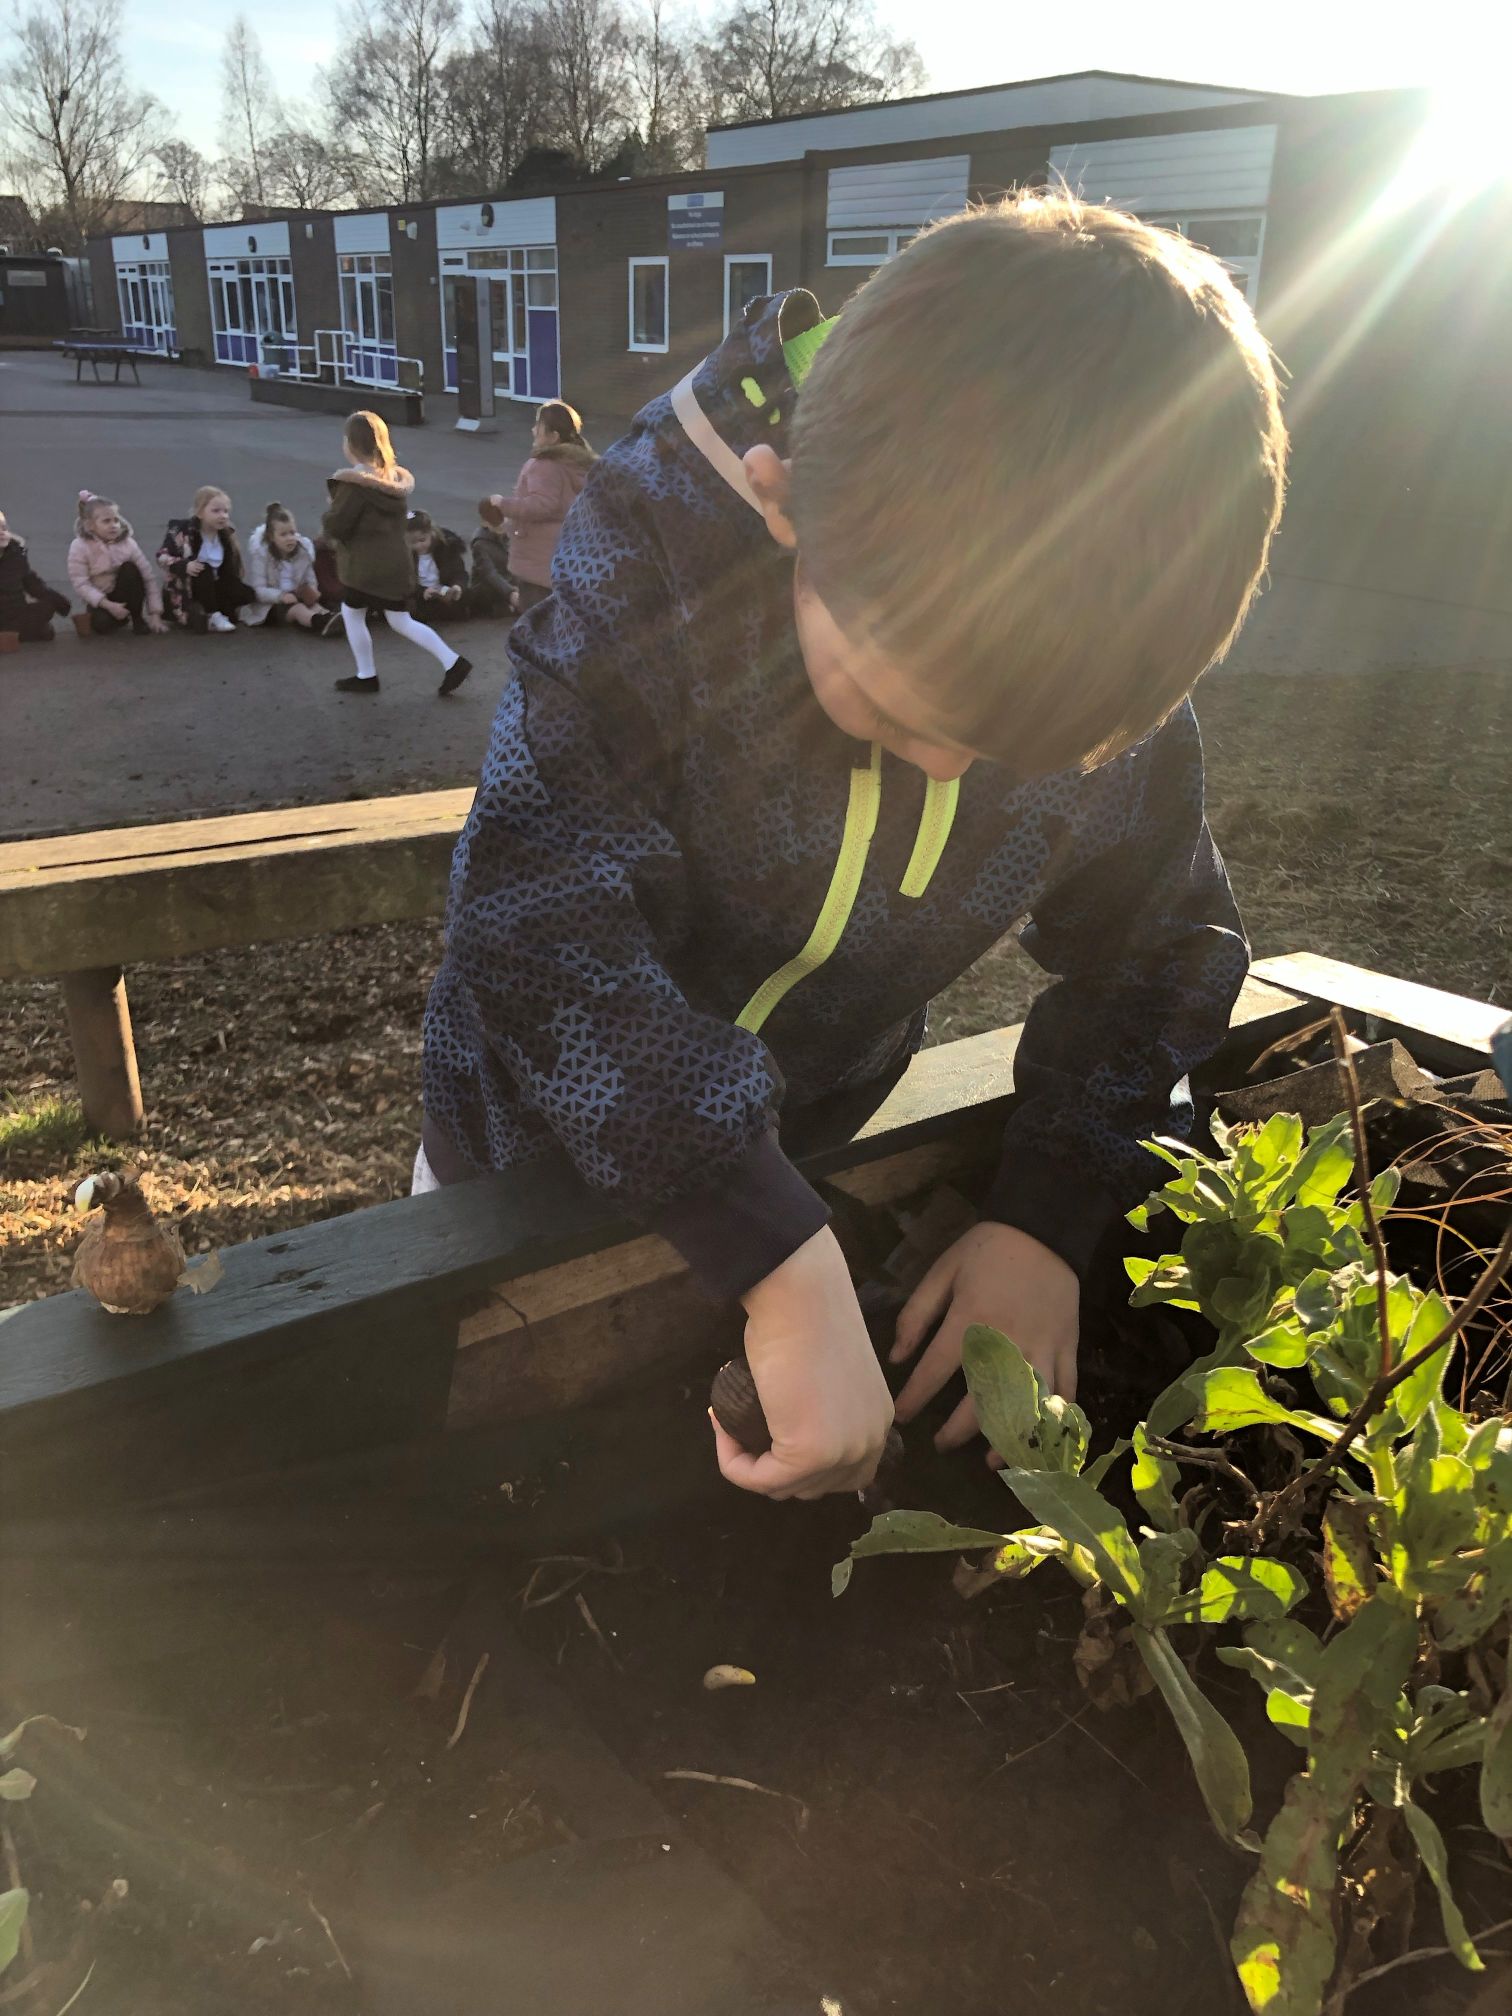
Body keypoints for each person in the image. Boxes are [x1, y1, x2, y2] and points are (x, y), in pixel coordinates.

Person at [419, 193, 1288, 1504]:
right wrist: (770, 1247)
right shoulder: (660, 540)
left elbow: (1169, 944)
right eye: (894, 708)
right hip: (517, 1150)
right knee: (464, 1456)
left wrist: (1044, 1217)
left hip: (825, 1131)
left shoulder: (1085, 637)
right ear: (782, 508)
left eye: (1023, 758)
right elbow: (537, 917)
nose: (948, 767)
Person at [322, 410, 472, 698]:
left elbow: (338, 525)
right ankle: (451, 661)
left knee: (353, 613)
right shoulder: (392, 480)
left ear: (352, 445)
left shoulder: (355, 485)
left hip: (365, 568)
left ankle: (367, 675)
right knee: (399, 620)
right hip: (395, 564)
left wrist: (331, 507)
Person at [479, 401, 597, 612]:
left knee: (536, 627)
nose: (533, 430)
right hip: (569, 556)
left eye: (539, 426)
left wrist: (502, 504)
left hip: (538, 562)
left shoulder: (545, 465)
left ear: (553, 436)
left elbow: (543, 505)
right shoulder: (580, 463)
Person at [157, 488, 257, 633]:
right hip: (189, 586)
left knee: (247, 593)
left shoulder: (226, 534)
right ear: (200, 512)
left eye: (226, 511)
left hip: (215, 586)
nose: (222, 516)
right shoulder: (182, 530)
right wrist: (184, 565)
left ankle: (219, 610)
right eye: (216, 511)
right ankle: (212, 614)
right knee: (205, 569)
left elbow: (231, 568)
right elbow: (161, 556)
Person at [67, 492, 167, 637]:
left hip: (125, 591)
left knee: (130, 568)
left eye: (116, 520)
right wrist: (109, 605)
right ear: (90, 525)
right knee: (101, 625)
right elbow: (81, 583)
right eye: (106, 521)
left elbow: (148, 577)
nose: (113, 525)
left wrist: (155, 614)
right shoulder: (79, 546)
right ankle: (118, 617)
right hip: (102, 598)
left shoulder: (128, 543)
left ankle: (137, 619)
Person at [240, 503, 338, 632]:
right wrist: (280, 596)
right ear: (271, 537)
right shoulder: (262, 555)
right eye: (283, 534)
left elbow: (310, 579)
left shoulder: (303, 553)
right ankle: (319, 623)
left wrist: (311, 592)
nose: (290, 538)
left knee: (315, 605)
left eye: (292, 533)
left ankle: (331, 619)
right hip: (272, 604)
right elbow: (258, 590)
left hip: (298, 595)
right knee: (298, 610)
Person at [0, 510, 71, 648]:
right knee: (40, 631)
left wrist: (57, 600)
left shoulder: (15, 555)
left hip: (15, 611)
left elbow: (32, 583)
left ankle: (15, 632)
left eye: (4, 528)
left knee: (47, 609)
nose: (2, 532)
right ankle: (17, 633)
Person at [404, 510, 471, 621]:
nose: (418, 546)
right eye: (412, 543)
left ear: (431, 533)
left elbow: (459, 573)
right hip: (421, 595)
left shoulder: (447, 548)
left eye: (422, 540)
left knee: (468, 595)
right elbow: (403, 582)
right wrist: (422, 591)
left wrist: (457, 586)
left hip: (444, 589)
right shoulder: (404, 555)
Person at [469, 505, 517, 619]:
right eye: (496, 523)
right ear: (485, 522)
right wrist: (510, 592)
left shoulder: (509, 534)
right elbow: (490, 574)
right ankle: (500, 605)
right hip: (488, 586)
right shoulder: (479, 544)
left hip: (508, 579)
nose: (501, 526)